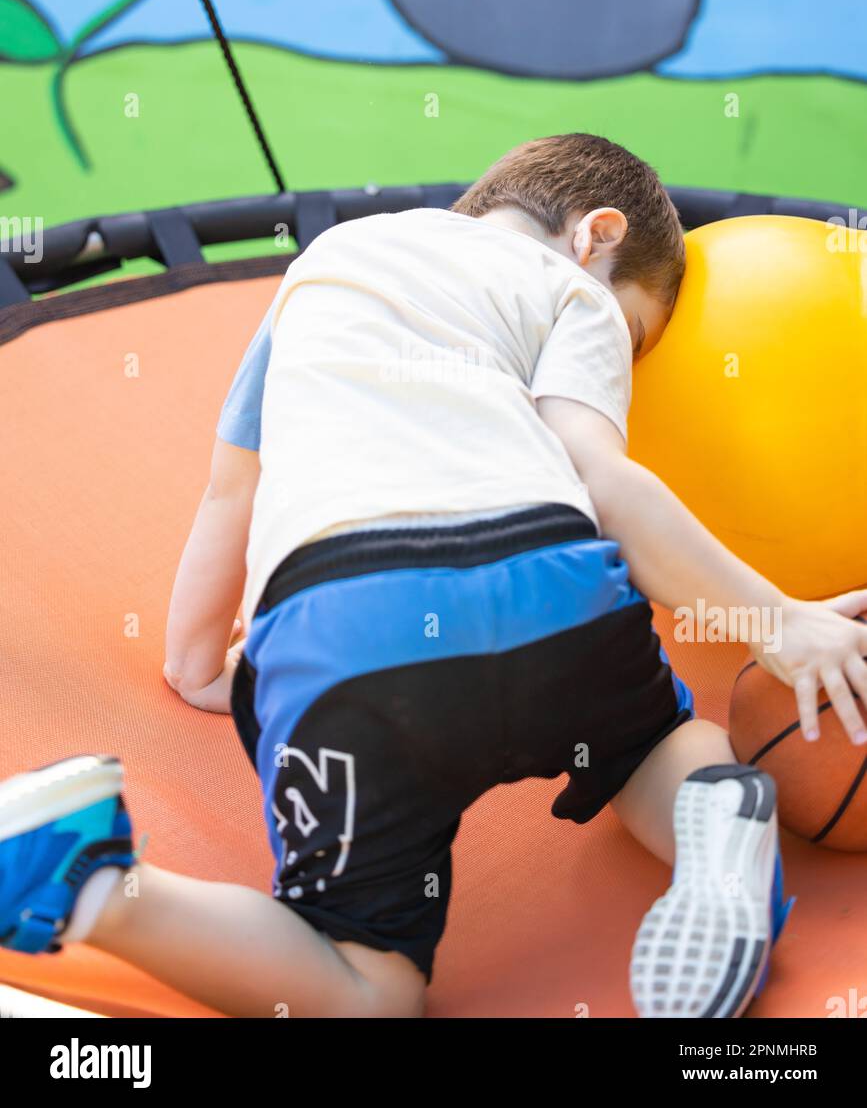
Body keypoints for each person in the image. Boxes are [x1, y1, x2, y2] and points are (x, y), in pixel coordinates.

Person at [3, 134, 866, 1019]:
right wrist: (776, 622)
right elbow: (601, 476)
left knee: (364, 985)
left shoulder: (323, 267)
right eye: (639, 333)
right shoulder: (576, 292)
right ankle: (715, 823)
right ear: (595, 235)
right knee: (649, 742)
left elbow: (232, 489)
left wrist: (193, 665)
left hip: (337, 635)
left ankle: (91, 885)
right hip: (543, 584)